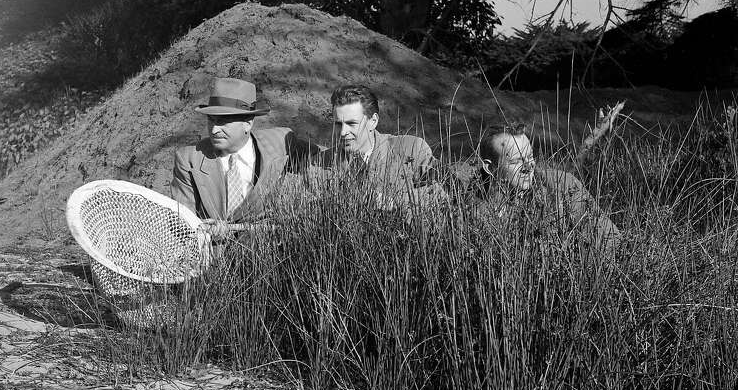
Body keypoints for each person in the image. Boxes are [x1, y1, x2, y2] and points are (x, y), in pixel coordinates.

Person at [170, 77, 320, 239]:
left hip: (266, 248)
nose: (214, 130)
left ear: (248, 123)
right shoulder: (189, 160)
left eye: (223, 122)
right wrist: (205, 231)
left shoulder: (281, 142)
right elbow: (182, 225)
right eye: (211, 121)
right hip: (212, 251)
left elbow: (323, 157)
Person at [461, 124, 620, 255]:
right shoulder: (470, 210)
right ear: (490, 168)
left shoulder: (562, 184)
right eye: (516, 161)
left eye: (530, 157)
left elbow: (610, 239)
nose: (528, 166)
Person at [302, 84, 443, 213]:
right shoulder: (318, 166)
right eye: (338, 124)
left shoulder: (411, 149)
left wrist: (395, 202)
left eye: (352, 123)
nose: (343, 132)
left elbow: (441, 195)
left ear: (373, 121)